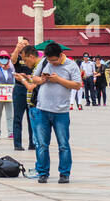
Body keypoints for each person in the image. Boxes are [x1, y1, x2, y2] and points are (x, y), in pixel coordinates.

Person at [23, 43, 81, 183]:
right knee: (42, 144)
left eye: (54, 60)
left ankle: (64, 173)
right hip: (42, 109)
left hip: (61, 112)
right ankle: (43, 172)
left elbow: (77, 85)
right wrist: (42, 79)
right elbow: (34, 78)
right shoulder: (44, 62)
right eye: (50, 61)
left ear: (61, 55)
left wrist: (58, 80)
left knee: (63, 144)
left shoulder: (71, 65)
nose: (52, 63)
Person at [9, 39, 37, 151]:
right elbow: (12, 59)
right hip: (20, 89)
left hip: (31, 88)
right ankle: (17, 144)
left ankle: (32, 143)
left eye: (26, 44)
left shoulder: (33, 57)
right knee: (17, 117)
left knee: (32, 117)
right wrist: (17, 48)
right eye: (22, 44)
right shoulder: (19, 57)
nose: (24, 45)